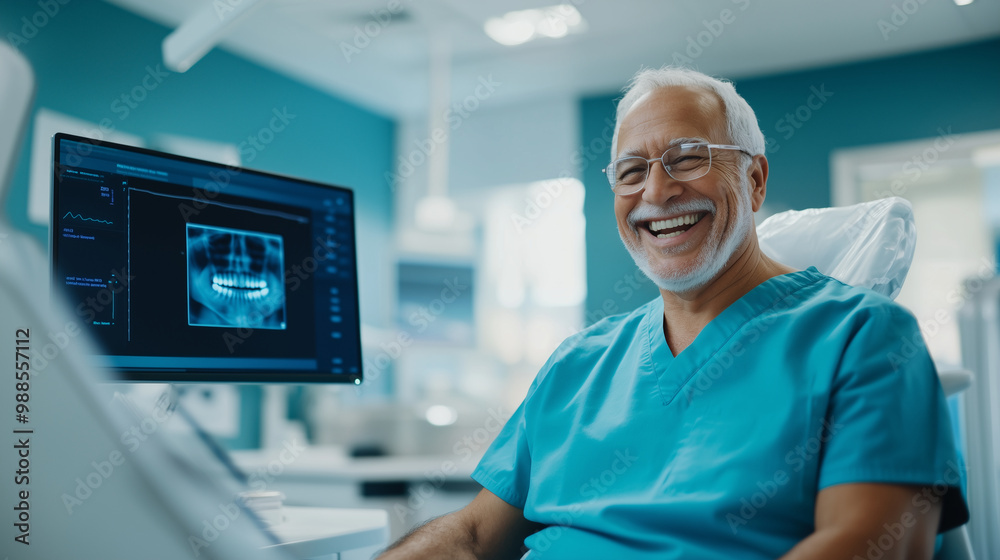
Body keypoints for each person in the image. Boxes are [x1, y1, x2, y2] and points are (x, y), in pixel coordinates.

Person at [377, 66, 969, 559]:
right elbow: (476, 534)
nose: (656, 193)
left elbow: (870, 545)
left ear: (755, 180)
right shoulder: (577, 365)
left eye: (687, 159)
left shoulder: (864, 339)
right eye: (631, 172)